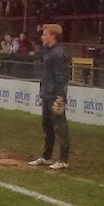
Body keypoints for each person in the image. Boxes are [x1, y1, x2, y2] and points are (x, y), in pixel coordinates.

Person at [29, 23, 70, 169]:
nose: (42, 36)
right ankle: (47, 157)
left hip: (54, 96)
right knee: (47, 126)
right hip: (47, 94)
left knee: (60, 126)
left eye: (44, 34)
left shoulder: (58, 54)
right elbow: (46, 76)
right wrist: (42, 94)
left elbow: (61, 77)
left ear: (52, 36)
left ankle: (63, 160)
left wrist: (60, 97)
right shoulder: (48, 52)